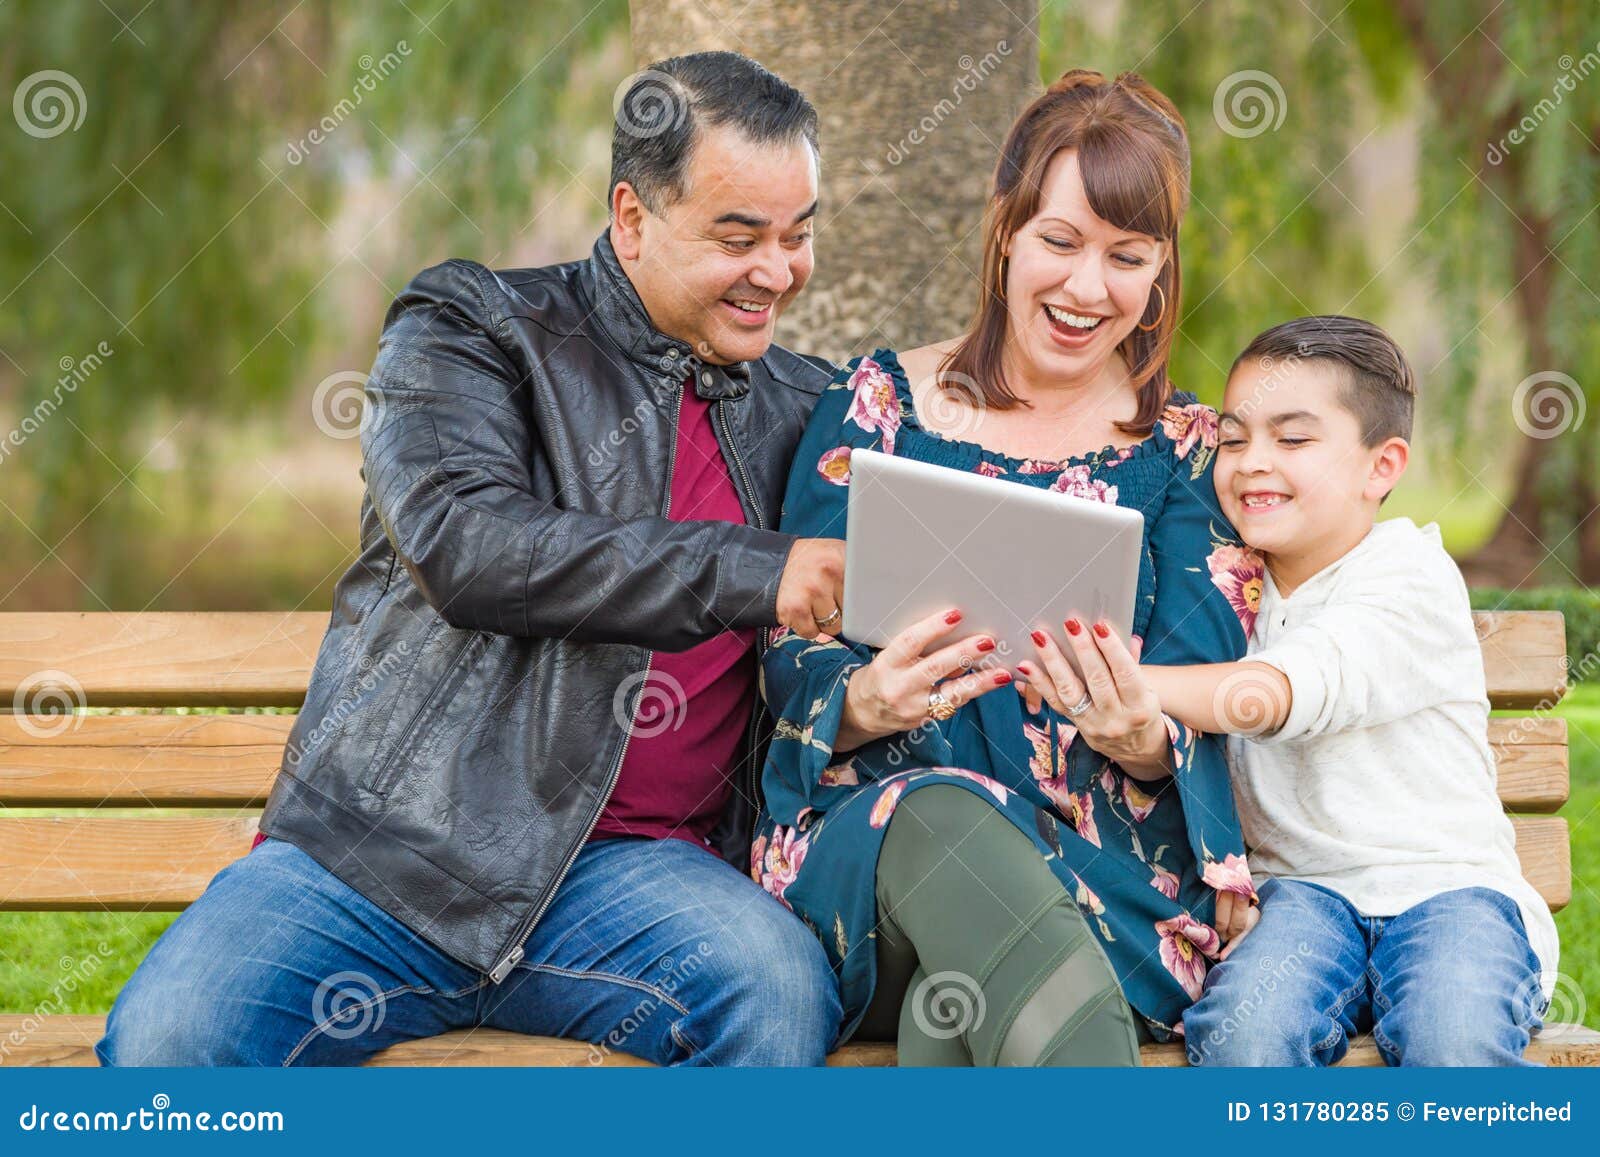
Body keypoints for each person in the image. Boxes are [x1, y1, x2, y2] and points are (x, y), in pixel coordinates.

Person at [98, 50, 846, 1068]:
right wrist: (757, 568)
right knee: (170, 1047)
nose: (777, 270)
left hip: (635, 883)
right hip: (388, 857)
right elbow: (469, 544)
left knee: (775, 990)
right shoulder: (474, 328)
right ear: (631, 218)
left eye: (797, 236)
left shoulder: (805, 404)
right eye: (738, 236)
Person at [751, 70, 1259, 1067]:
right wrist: (862, 698)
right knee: (945, 816)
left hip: (1105, 883)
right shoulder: (876, 406)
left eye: (1126, 255)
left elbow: (1211, 695)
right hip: (883, 866)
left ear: (1160, 270)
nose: (1085, 288)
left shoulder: (1189, 450)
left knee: (982, 997)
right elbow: (784, 641)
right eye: (1059, 242)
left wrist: (1144, 734)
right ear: (1005, 234)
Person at [1121, 315, 1558, 1066]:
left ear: (1380, 467)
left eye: (1292, 440)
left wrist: (1126, 683)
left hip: (1449, 892)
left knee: (1454, 1034)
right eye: (1233, 438)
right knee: (1243, 1039)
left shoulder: (1409, 573)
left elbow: (1285, 693)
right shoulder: (1221, 594)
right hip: (1300, 897)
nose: (1253, 461)